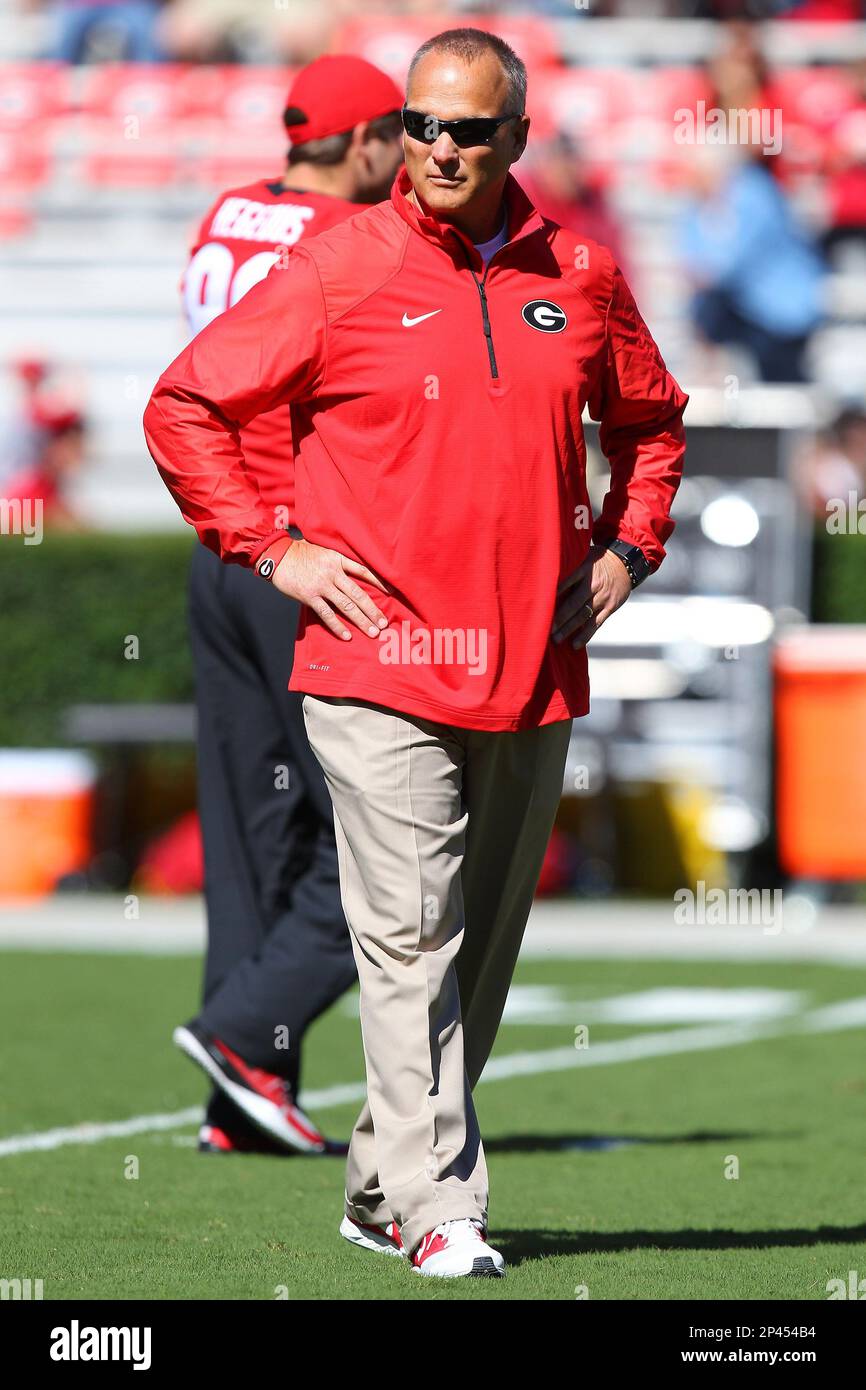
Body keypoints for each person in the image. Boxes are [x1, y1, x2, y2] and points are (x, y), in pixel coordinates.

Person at [144, 27, 687, 1276]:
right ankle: (444, 1206)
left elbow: (651, 429)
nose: (440, 148)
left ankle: (381, 1184)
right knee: (407, 934)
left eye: (468, 130)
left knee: (477, 954)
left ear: (516, 139)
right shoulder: (339, 265)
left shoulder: (585, 273)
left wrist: (624, 554)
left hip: (533, 667)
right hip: (374, 666)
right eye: (423, 124)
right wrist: (270, 548)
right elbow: (186, 405)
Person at [171, 55, 404, 1157]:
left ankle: (240, 1099)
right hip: (291, 554)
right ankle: (240, 1031)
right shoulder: (339, 244)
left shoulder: (228, 210)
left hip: (215, 550)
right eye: (396, 140)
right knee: (372, 824)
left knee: (247, 824)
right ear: (363, 143)